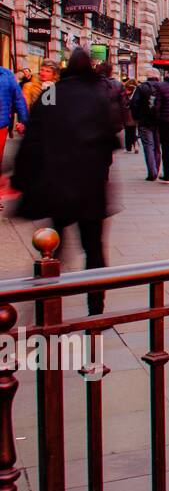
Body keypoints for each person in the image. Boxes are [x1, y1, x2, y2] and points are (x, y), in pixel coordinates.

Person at [11, 48, 118, 315]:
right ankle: (96, 306)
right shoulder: (97, 97)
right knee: (93, 248)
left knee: (53, 244)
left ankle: (46, 300)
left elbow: (32, 140)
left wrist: (20, 178)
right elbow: (111, 138)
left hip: (55, 183)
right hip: (90, 186)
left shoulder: (51, 95)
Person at [0, 62, 30, 200]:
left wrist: (25, 121)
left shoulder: (7, 76)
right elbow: (19, 100)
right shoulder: (8, 76)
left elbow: (19, 100)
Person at [130, 70, 163, 181]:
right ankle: (156, 169)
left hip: (144, 121)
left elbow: (134, 103)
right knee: (157, 146)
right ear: (157, 77)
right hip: (159, 121)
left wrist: (137, 117)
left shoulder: (141, 88)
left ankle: (152, 171)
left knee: (148, 146)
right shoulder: (162, 87)